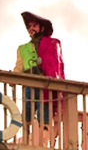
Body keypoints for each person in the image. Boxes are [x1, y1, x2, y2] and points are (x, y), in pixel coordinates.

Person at [14, 12, 65, 140]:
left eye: (34, 25)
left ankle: (45, 138)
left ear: (41, 27)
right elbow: (18, 67)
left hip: (45, 87)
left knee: (45, 113)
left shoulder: (52, 43)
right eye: (29, 26)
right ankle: (26, 137)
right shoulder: (22, 48)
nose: (31, 28)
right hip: (29, 84)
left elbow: (56, 65)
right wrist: (12, 77)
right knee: (27, 112)